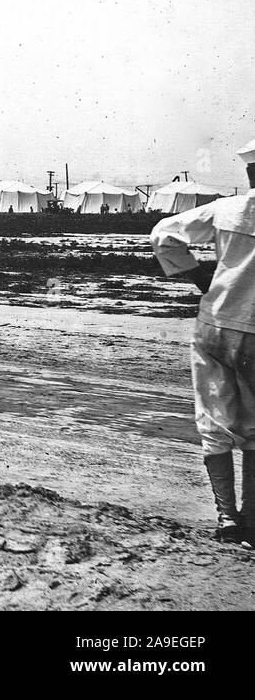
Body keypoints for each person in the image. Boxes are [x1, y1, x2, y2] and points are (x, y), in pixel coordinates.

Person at [151, 139, 255, 542]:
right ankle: (250, 520)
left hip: (214, 322)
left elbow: (163, 233)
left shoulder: (226, 208)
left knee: (213, 418)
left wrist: (197, 278)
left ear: (248, 173)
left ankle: (226, 518)